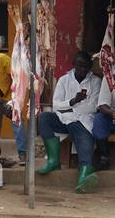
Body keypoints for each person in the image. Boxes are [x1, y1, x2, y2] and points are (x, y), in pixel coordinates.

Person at [36, 50, 102, 193]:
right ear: (74, 65)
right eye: (79, 66)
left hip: (83, 121)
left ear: (90, 67)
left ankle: (84, 174)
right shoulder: (64, 80)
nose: (82, 69)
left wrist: (70, 109)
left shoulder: (96, 82)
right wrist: (73, 101)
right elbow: (56, 104)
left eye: (85, 67)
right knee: (43, 117)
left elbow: (93, 106)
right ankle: (53, 160)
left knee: (82, 136)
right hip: (63, 118)